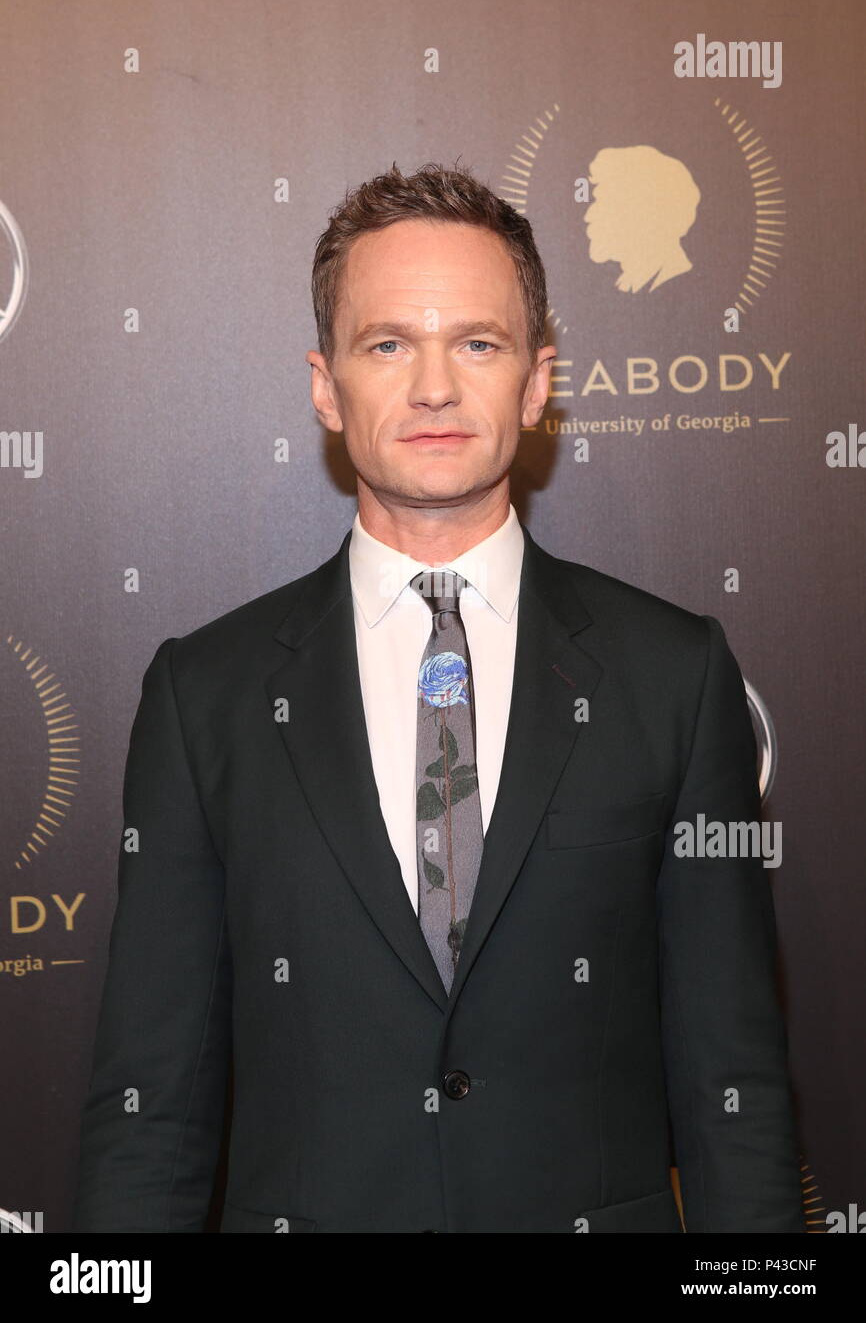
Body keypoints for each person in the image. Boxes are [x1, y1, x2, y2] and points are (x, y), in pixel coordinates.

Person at [72, 161, 804, 1233]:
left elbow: (730, 1086)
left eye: (475, 342)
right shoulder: (206, 696)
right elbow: (151, 1105)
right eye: (386, 345)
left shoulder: (671, 674)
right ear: (325, 385)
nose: (431, 387)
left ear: (535, 378)